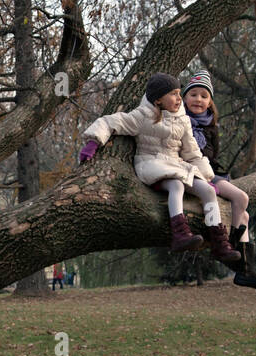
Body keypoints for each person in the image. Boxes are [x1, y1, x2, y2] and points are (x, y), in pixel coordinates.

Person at [78, 73, 241, 265]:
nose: (179, 99)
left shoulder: (183, 119)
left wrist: (206, 177)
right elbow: (110, 122)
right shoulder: (141, 116)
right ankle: (180, 232)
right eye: (173, 94)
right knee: (176, 186)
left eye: (180, 93)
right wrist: (93, 142)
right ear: (158, 99)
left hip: (177, 164)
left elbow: (193, 152)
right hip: (152, 163)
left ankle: (219, 242)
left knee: (207, 191)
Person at [181, 71, 256, 290]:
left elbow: (213, 158)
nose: (198, 100)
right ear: (184, 98)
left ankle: (243, 267)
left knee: (242, 202)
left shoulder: (211, 127)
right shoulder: (179, 121)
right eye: (193, 94)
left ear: (210, 102)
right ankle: (239, 261)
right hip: (189, 174)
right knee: (244, 209)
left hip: (210, 173)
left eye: (204, 96)